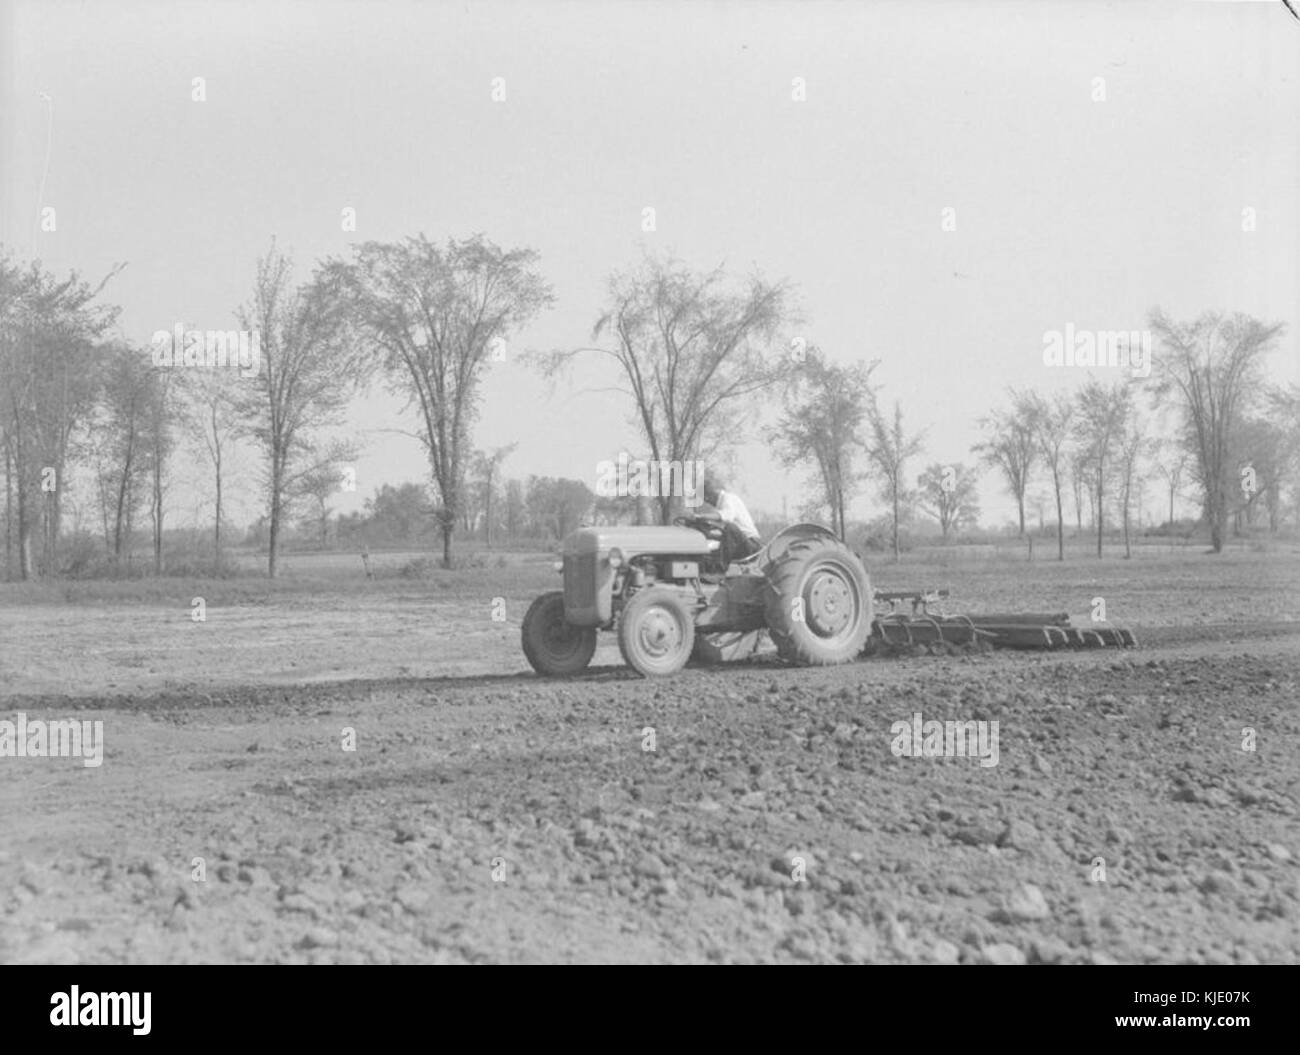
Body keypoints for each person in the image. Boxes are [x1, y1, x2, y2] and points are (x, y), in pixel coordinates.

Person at [701, 475, 762, 563]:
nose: (707, 502)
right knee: (709, 554)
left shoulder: (729, 499)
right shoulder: (719, 507)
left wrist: (701, 517)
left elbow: (727, 516)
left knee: (730, 527)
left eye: (705, 499)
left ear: (708, 496)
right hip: (739, 544)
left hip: (751, 545)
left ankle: (719, 569)